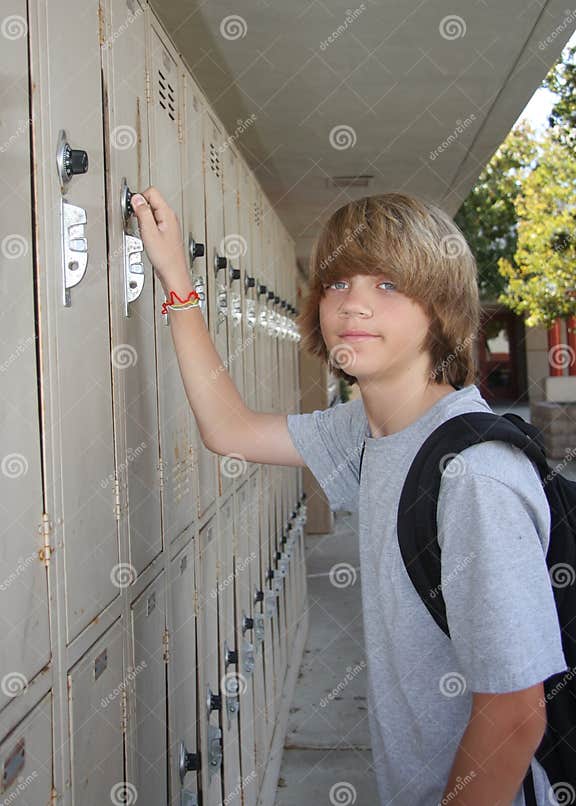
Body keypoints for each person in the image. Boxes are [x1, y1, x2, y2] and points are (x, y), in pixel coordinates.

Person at [131, 188, 568, 806]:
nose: (353, 304)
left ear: (441, 307)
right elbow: (228, 428)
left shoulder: (474, 477)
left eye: (387, 284)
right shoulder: (365, 428)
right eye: (337, 283)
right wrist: (177, 280)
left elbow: (516, 714)